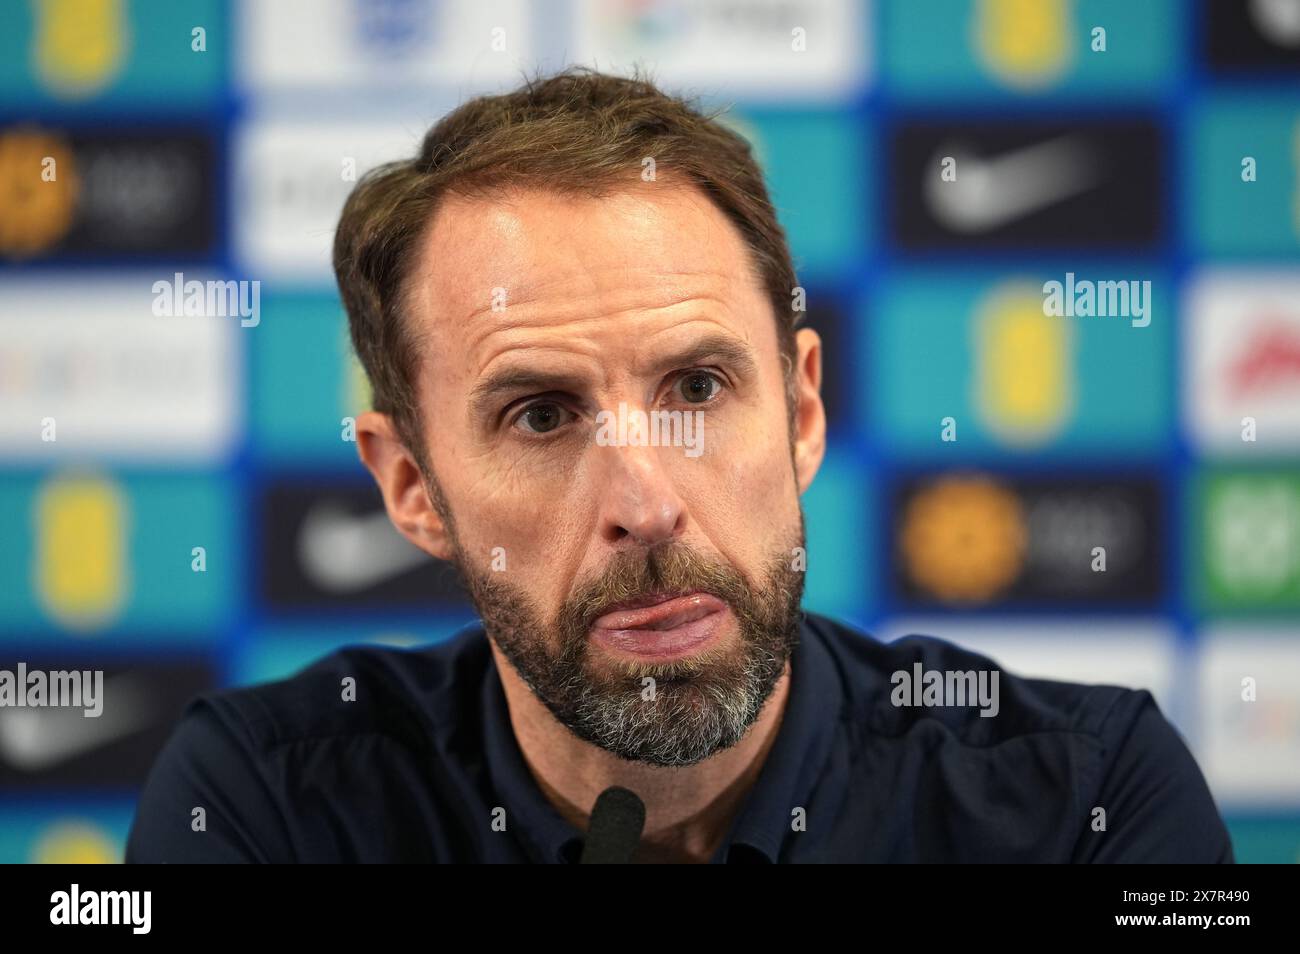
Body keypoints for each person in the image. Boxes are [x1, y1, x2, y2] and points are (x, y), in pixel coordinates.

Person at [126, 67, 1233, 863]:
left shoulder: (1087, 804)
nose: (647, 504)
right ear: (411, 486)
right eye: (542, 415)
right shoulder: (259, 808)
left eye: (697, 390)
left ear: (801, 410)